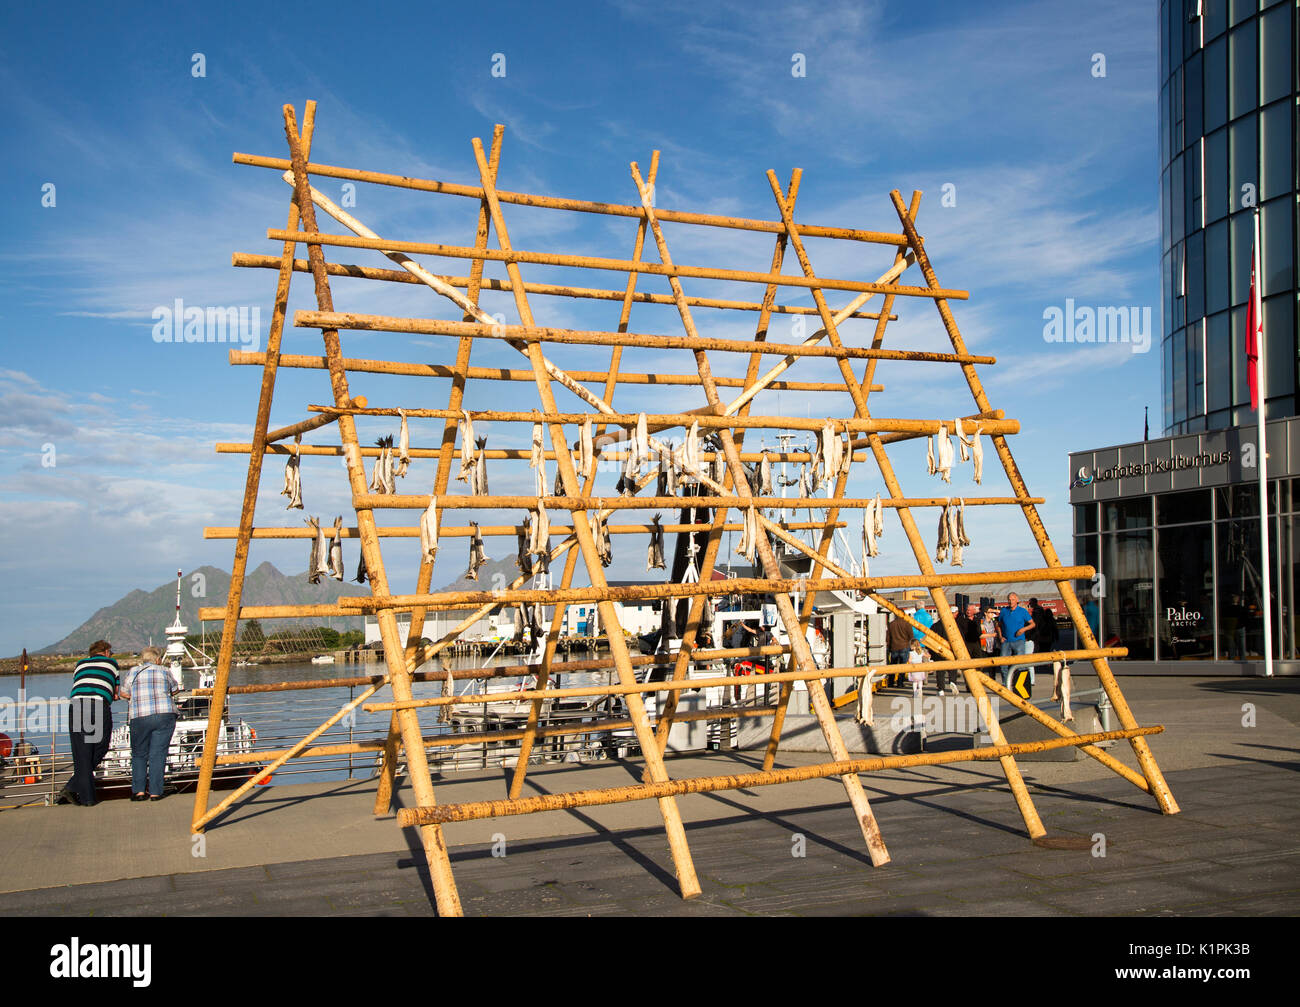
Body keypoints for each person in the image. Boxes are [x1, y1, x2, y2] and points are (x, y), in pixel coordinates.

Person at [60, 639, 119, 806]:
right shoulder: (111, 663)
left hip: (78, 705)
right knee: (101, 746)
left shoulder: (80, 664)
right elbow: (115, 694)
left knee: (82, 752)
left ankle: (78, 791)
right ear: (107, 651)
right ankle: (81, 794)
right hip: (98, 705)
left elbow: (78, 683)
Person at [119, 646, 181, 801]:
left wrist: (135, 697)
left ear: (143, 659)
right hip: (164, 714)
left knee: (139, 754)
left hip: (139, 716)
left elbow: (123, 693)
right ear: (158, 659)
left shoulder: (133, 671)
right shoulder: (165, 671)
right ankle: (155, 792)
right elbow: (175, 689)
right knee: (158, 754)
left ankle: (139, 792)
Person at [997, 593, 1034, 689]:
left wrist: (1023, 629)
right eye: (1009, 599)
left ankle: (1020, 683)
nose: (1010, 601)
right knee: (1003, 663)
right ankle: (1005, 683)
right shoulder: (1004, 611)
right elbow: (998, 625)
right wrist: (1000, 636)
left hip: (1019, 641)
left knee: (1020, 663)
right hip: (1006, 641)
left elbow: (1032, 624)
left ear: (1017, 600)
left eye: (1013, 599)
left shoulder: (1022, 611)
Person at [1029, 598, 1059, 687]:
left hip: (1042, 636)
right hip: (1048, 637)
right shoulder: (1050, 619)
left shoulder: (1038, 612)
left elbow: (1037, 624)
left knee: (1041, 649)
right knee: (1046, 649)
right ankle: (1047, 662)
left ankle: (1044, 662)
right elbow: (1055, 629)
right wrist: (1056, 637)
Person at [886, 613, 913, 687]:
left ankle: (891, 682)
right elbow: (911, 635)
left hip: (894, 647)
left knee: (893, 666)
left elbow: (888, 637)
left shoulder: (891, 624)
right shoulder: (907, 624)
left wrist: (889, 646)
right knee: (903, 666)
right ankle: (900, 682)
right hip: (904, 646)